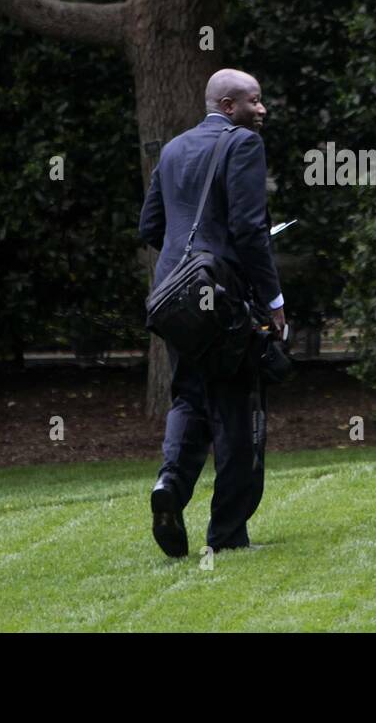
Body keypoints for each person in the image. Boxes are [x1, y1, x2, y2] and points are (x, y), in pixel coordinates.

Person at [138, 68, 286, 556]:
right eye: (254, 101)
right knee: (236, 408)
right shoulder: (243, 144)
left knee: (187, 398)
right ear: (227, 106)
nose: (261, 110)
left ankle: (170, 487)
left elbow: (151, 226)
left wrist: (192, 260)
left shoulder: (174, 148)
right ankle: (226, 533)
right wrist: (274, 301)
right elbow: (248, 232)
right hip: (223, 302)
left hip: (175, 299)